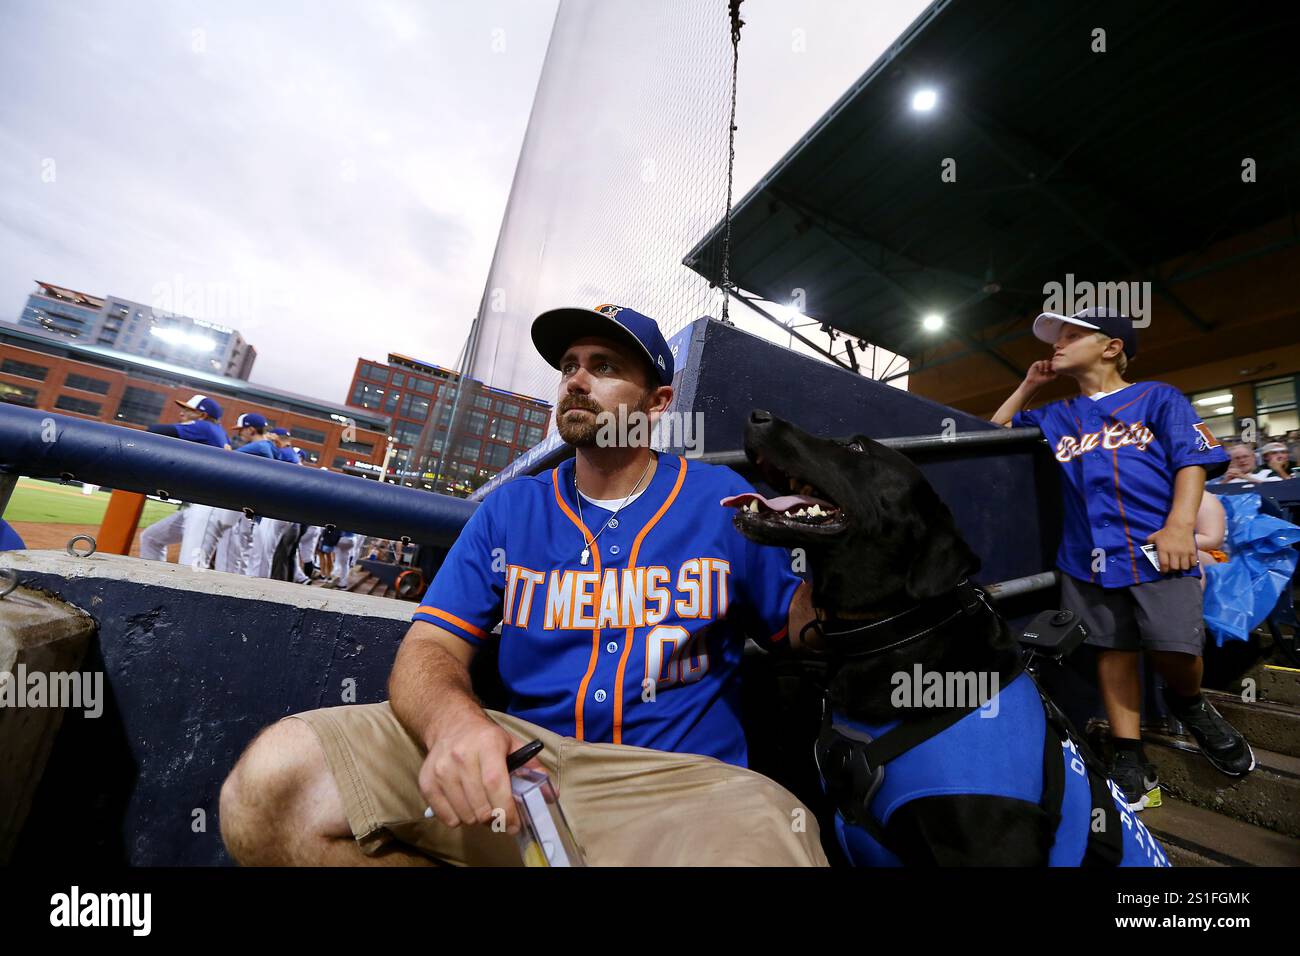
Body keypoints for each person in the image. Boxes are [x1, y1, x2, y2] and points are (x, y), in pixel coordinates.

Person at [219, 303, 828, 866]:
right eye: (569, 366)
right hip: (522, 768)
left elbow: (807, 631)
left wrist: (855, 553)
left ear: (657, 401)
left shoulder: (720, 503)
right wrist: (456, 727)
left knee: (781, 834)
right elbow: (430, 648)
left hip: (675, 786)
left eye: (605, 366)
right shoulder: (511, 510)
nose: (576, 380)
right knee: (274, 786)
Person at [992, 306, 1254, 812]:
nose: (1057, 345)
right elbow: (995, 431)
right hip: (1085, 556)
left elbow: (1192, 459)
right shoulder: (1056, 414)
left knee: (1176, 646)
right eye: (1056, 338)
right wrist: (1027, 387)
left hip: (1159, 545)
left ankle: (1189, 703)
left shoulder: (1157, 396)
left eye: (1073, 335)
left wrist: (1180, 525)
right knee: (1113, 650)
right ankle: (1129, 754)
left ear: (1112, 347)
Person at [139, 395, 229, 562]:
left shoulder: (204, 427)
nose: (182, 412)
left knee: (192, 565)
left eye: (188, 409)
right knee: (151, 538)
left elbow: (155, 431)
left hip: (210, 505)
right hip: (206, 503)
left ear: (202, 415)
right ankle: (155, 586)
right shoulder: (218, 432)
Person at [192, 412, 277, 572]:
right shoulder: (269, 446)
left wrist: (228, 451)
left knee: (230, 554)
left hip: (243, 504)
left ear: (251, 429)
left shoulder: (259, 446)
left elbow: (226, 459)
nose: (239, 433)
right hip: (255, 505)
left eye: (241, 429)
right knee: (241, 554)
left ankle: (226, 593)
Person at [244, 429, 303, 578]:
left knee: (262, 554)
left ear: (277, 438)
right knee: (263, 553)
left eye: (271, 436)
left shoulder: (286, 453)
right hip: (284, 510)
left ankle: (256, 590)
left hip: (278, 509)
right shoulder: (289, 454)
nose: (268, 439)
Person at [1210, 442, 1280, 486]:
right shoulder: (1225, 478)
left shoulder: (1268, 473)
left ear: (1254, 457)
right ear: (1232, 461)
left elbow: (1277, 487)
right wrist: (1225, 481)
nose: (1242, 460)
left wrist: (1245, 477)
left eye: (1245, 456)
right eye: (1237, 458)